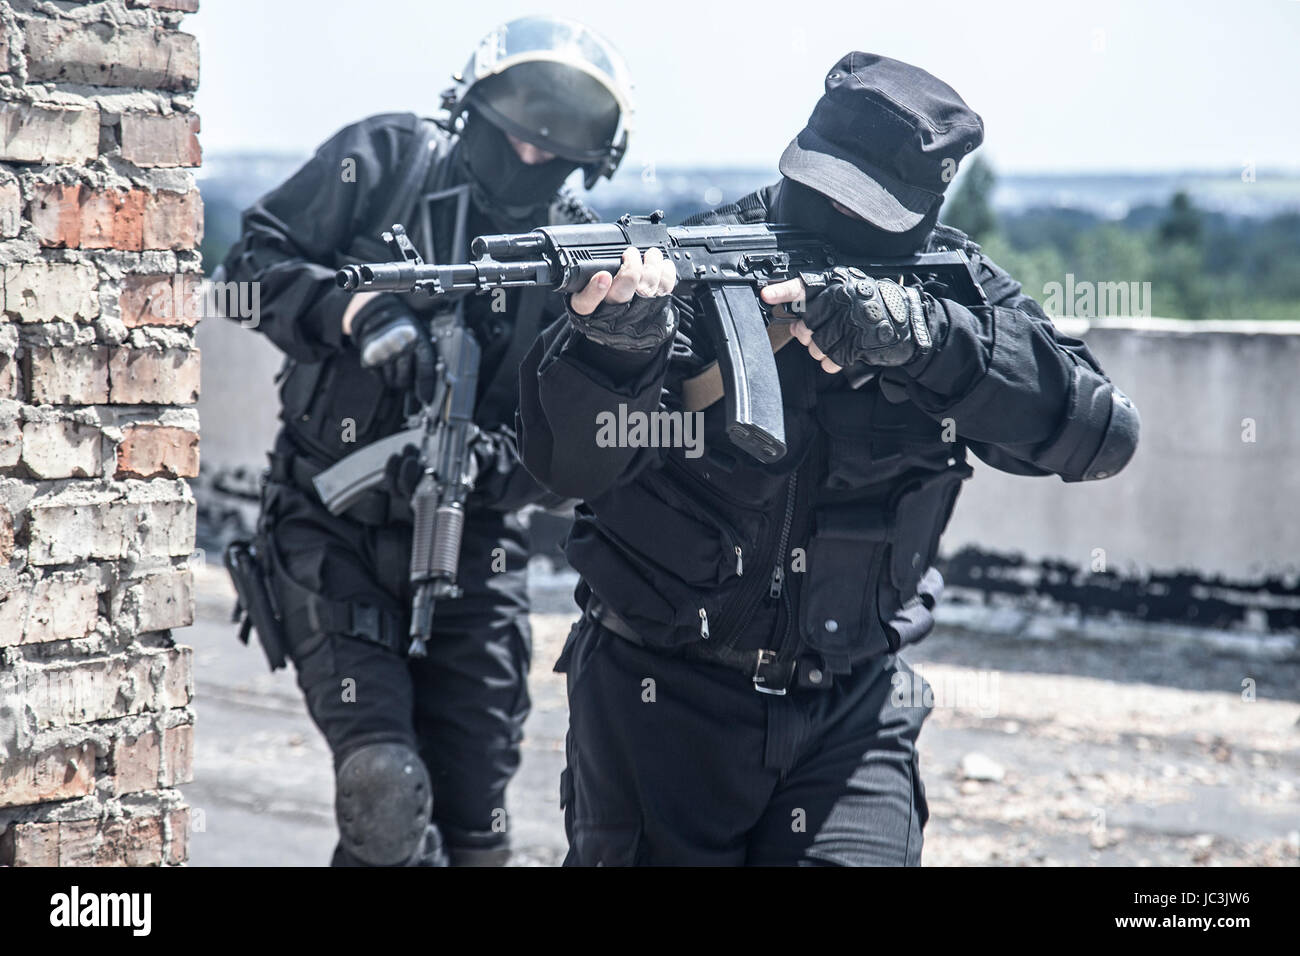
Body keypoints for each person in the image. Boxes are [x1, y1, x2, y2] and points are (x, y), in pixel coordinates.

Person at [517, 51, 1140, 866]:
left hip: (854, 714)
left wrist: (931, 344)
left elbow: (1102, 438)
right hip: (660, 701)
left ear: (923, 212)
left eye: (862, 205)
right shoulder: (694, 269)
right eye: (819, 185)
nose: (826, 217)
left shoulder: (955, 292)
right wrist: (615, 354)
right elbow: (567, 470)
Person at [220, 16, 634, 866]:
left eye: (552, 150)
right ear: (469, 109)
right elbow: (248, 270)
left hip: (475, 556)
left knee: (476, 831)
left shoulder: (579, 266)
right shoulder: (386, 162)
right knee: (383, 791)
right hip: (328, 530)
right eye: (512, 135)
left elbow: (589, 444)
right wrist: (351, 309)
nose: (527, 159)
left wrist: (498, 470)